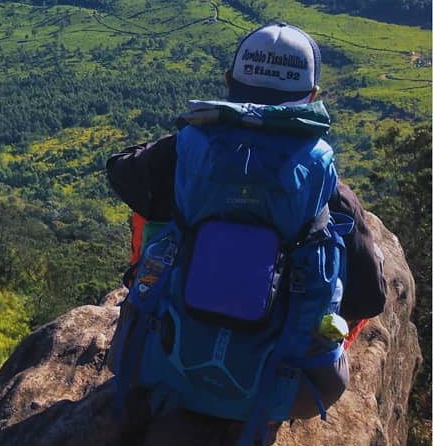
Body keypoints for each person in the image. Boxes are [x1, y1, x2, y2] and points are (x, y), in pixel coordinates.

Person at [106, 22, 387, 418]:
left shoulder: (186, 151)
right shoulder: (327, 185)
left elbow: (120, 170)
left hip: (165, 360)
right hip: (289, 388)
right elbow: (369, 298)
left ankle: (149, 302)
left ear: (227, 83)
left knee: (150, 206)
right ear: (312, 97)